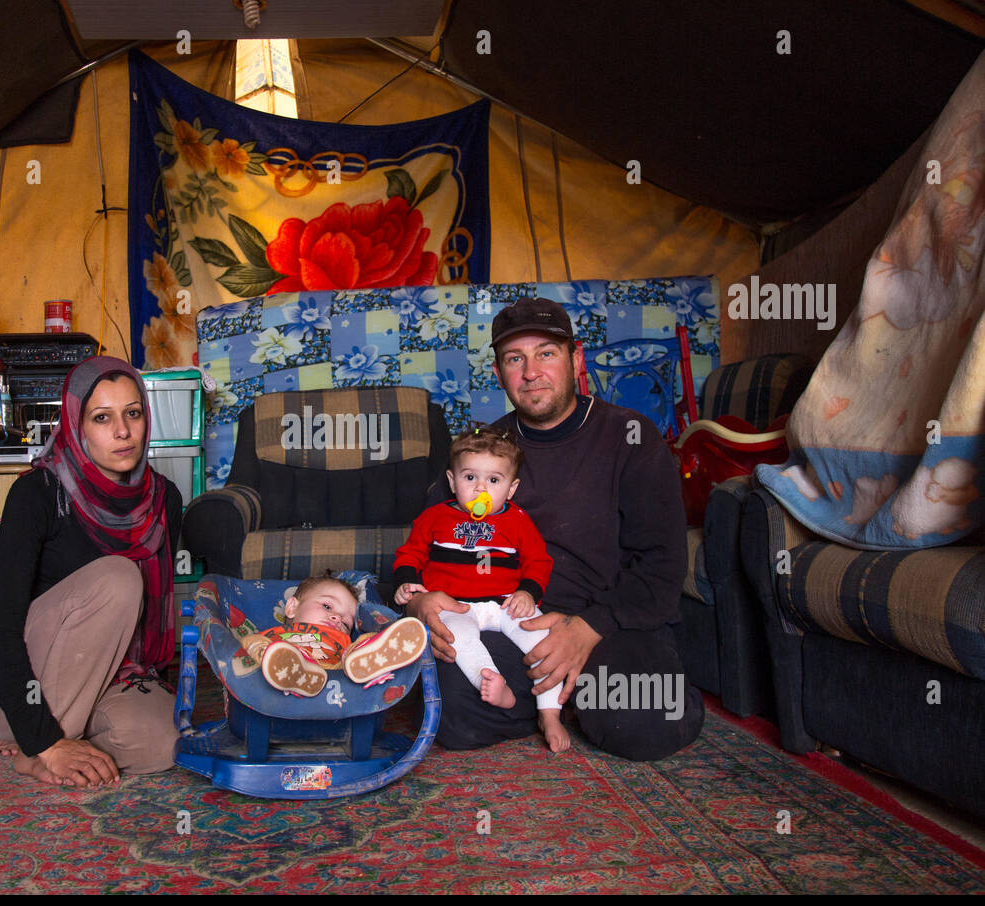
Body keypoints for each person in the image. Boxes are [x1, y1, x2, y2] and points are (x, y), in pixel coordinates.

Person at [405, 297, 704, 760]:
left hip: (610, 623)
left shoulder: (631, 437)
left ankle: (571, 697)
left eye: (546, 353)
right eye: (514, 359)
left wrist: (586, 630)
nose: (531, 372)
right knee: (448, 711)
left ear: (575, 359)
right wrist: (421, 598)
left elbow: (663, 566)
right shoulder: (488, 451)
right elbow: (430, 533)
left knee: (647, 720)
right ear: (500, 372)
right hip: (511, 621)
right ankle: (560, 701)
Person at [0, 356, 182, 788]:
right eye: (102, 418)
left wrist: (154, 691)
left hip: (105, 673)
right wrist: (43, 738)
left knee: (164, 742)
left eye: (133, 413)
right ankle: (37, 746)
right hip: (8, 679)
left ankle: (50, 736)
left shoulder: (163, 498)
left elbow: (155, 613)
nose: (122, 432)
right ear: (76, 424)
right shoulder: (37, 494)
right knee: (117, 579)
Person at [391, 427, 568, 752]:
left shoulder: (518, 520)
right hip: (455, 605)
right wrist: (408, 582)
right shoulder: (434, 517)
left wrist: (528, 592)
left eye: (494, 481)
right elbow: (411, 553)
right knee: (458, 641)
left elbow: (538, 561)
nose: (480, 488)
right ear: (452, 480)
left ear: (511, 488)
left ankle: (550, 712)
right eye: (470, 477)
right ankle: (493, 683)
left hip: (504, 603)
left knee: (543, 641)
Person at [238, 574, 428, 695]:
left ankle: (376, 655)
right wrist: (266, 650)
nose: (337, 617)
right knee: (251, 640)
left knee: (357, 648)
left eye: (346, 622)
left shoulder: (342, 640)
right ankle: (292, 670)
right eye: (327, 606)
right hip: (285, 664)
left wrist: (357, 647)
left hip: (334, 667)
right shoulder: (274, 634)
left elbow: (349, 644)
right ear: (292, 608)